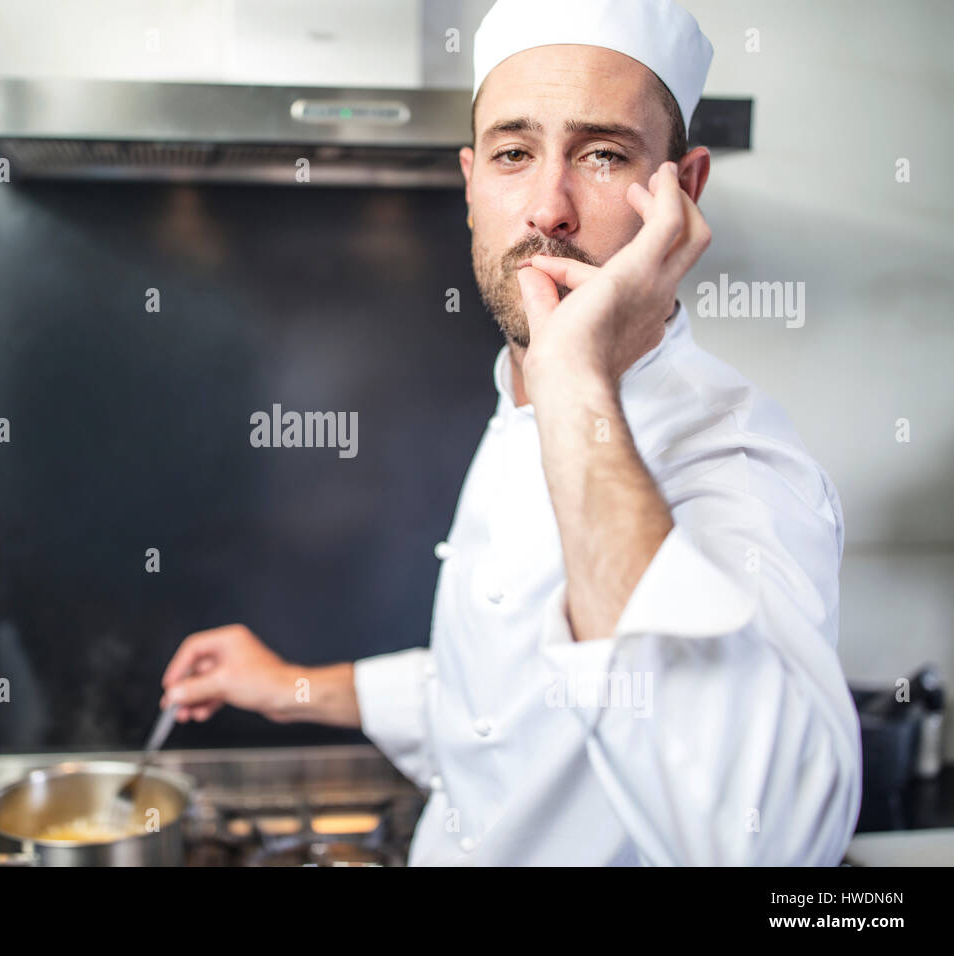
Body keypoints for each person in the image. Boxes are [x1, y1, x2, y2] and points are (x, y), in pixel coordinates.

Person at [160, 0, 862, 865]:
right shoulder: (518, 398)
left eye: (603, 154)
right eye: (514, 153)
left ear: (685, 189)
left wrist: (574, 375)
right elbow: (500, 704)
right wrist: (292, 687)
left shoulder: (739, 467)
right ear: (471, 184)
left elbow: (777, 841)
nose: (548, 209)